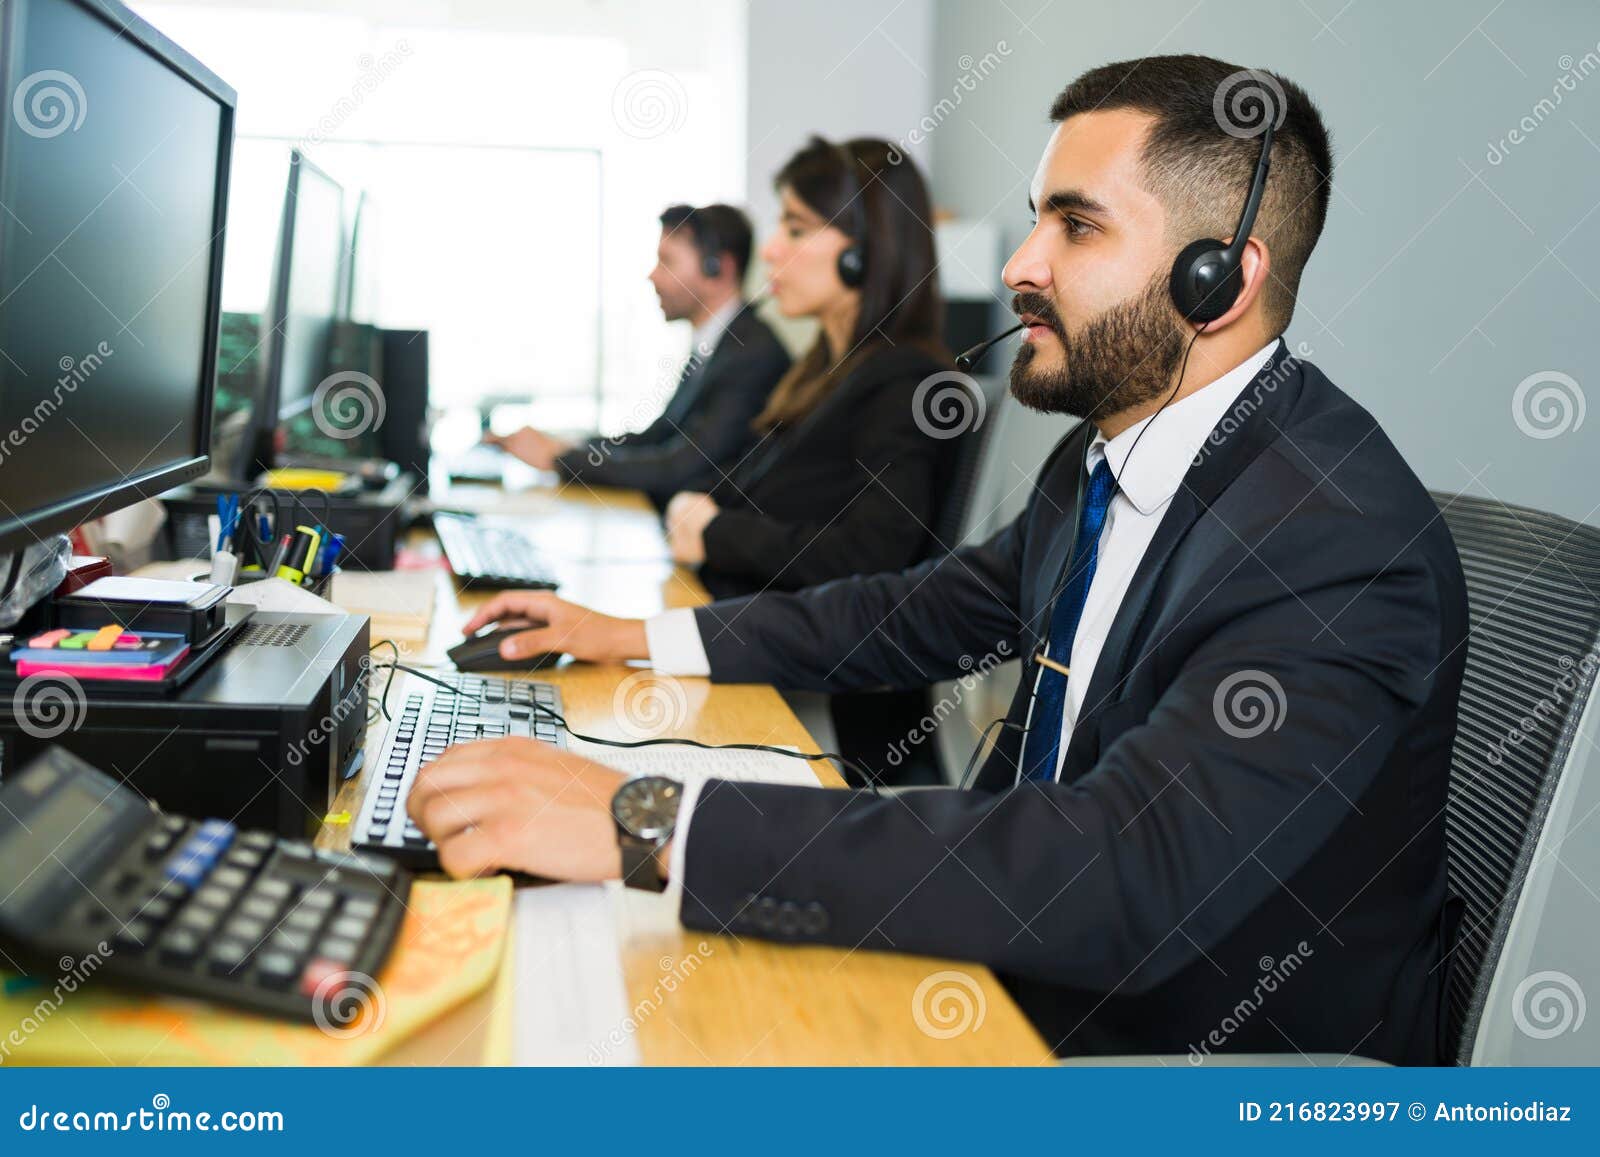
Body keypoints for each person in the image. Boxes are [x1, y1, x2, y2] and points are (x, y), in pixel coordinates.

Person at [407, 55, 1469, 1064]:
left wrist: (646, 819)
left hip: (1187, 1059)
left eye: (1076, 224)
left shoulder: (1337, 544)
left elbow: (1120, 870)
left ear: (1214, 282)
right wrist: (633, 635)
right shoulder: (1102, 459)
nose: (1018, 264)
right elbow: (908, 614)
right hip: (1024, 971)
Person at [658, 136, 960, 599]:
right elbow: (753, 488)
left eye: (796, 230)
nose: (771, 251)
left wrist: (715, 533)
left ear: (862, 253)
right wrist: (694, 507)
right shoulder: (822, 369)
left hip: (791, 655)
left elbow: (873, 554)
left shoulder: (908, 381)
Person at [489, 203, 789, 509]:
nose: (652, 276)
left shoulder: (751, 353)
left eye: (667, 262)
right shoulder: (718, 343)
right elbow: (657, 437)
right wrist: (569, 446)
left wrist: (561, 459)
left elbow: (679, 468)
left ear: (717, 269)